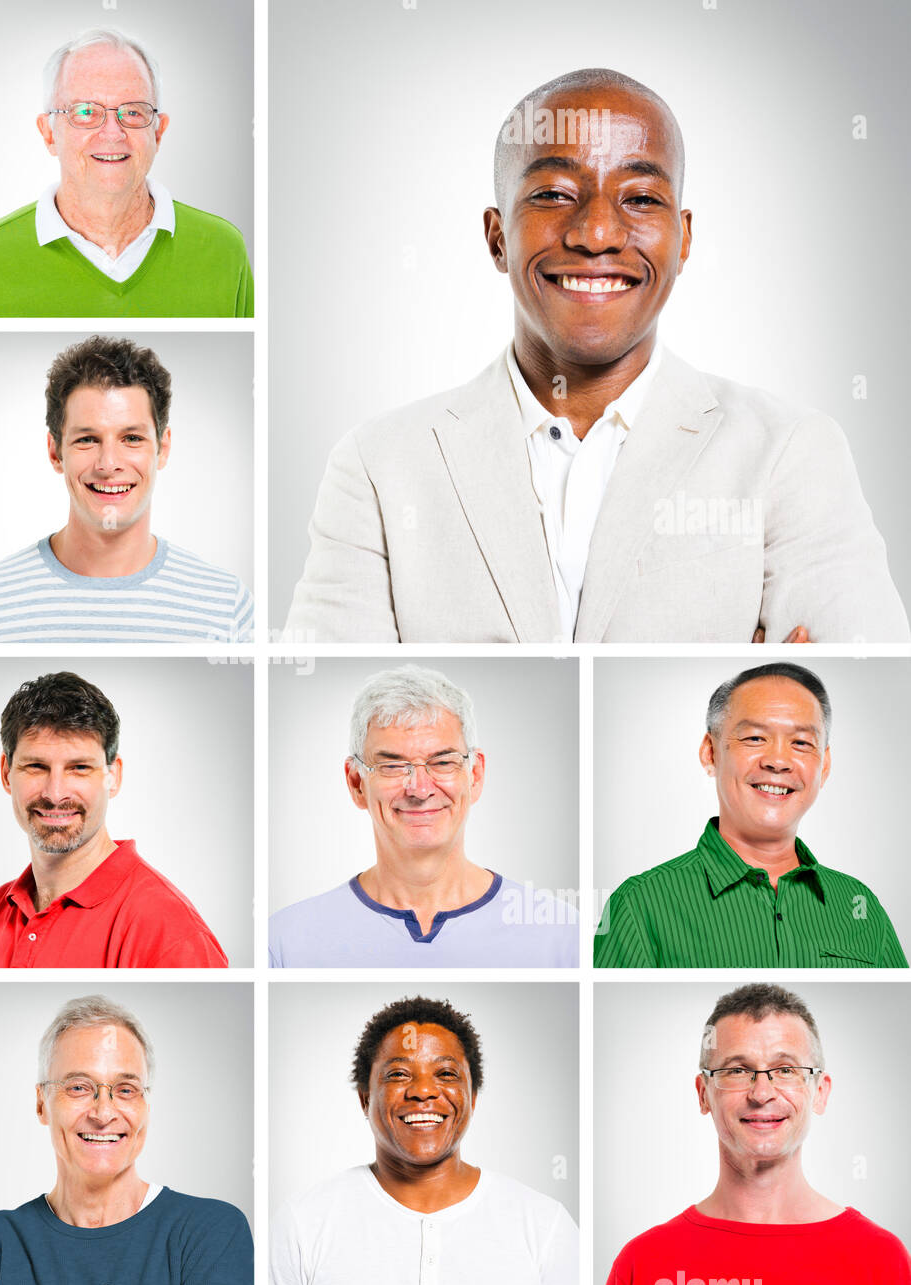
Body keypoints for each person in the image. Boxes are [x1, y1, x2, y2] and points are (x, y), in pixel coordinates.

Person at [285, 68, 907, 642]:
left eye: (639, 199)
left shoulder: (790, 452)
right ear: (498, 236)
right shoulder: (378, 466)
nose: (597, 233)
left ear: (684, 238)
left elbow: (851, 679)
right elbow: (352, 691)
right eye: (554, 194)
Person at [604, 984, 911, 1285]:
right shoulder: (642, 1263)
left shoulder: (881, 1260)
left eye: (785, 1069)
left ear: (820, 1092)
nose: (762, 1093)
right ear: (703, 1094)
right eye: (737, 1070)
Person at [596, 663, 906, 968]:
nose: (778, 761)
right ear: (710, 753)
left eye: (801, 743)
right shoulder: (641, 904)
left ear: (823, 767)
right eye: (756, 738)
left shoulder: (860, 905)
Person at [0, 335, 252, 641]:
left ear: (163, 448)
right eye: (87, 439)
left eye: (131, 438)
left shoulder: (227, 607)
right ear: (55, 452)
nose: (108, 464)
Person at [0, 995, 252, 1285]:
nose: (103, 1114)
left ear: (146, 1105)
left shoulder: (211, 1232)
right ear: (42, 1104)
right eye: (78, 1087)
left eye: (126, 1090)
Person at [270, 995, 578, 1285]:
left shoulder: (545, 1224)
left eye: (445, 1073)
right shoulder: (303, 1224)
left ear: (472, 1097)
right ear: (365, 1099)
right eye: (399, 1074)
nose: (423, 1091)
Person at [269, 666, 577, 965]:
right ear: (356, 783)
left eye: (443, 762)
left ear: (476, 775)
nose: (418, 789)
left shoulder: (561, 936)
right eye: (391, 766)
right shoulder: (286, 943)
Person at [0, 28, 253, 317]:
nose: (112, 133)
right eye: (85, 112)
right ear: (49, 133)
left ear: (158, 133)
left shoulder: (224, 250)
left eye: (133, 112)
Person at [0, 672, 227, 967]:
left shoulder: (171, 932)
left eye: (79, 768)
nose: (55, 793)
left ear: (113, 777)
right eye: (36, 766)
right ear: (6, 773)